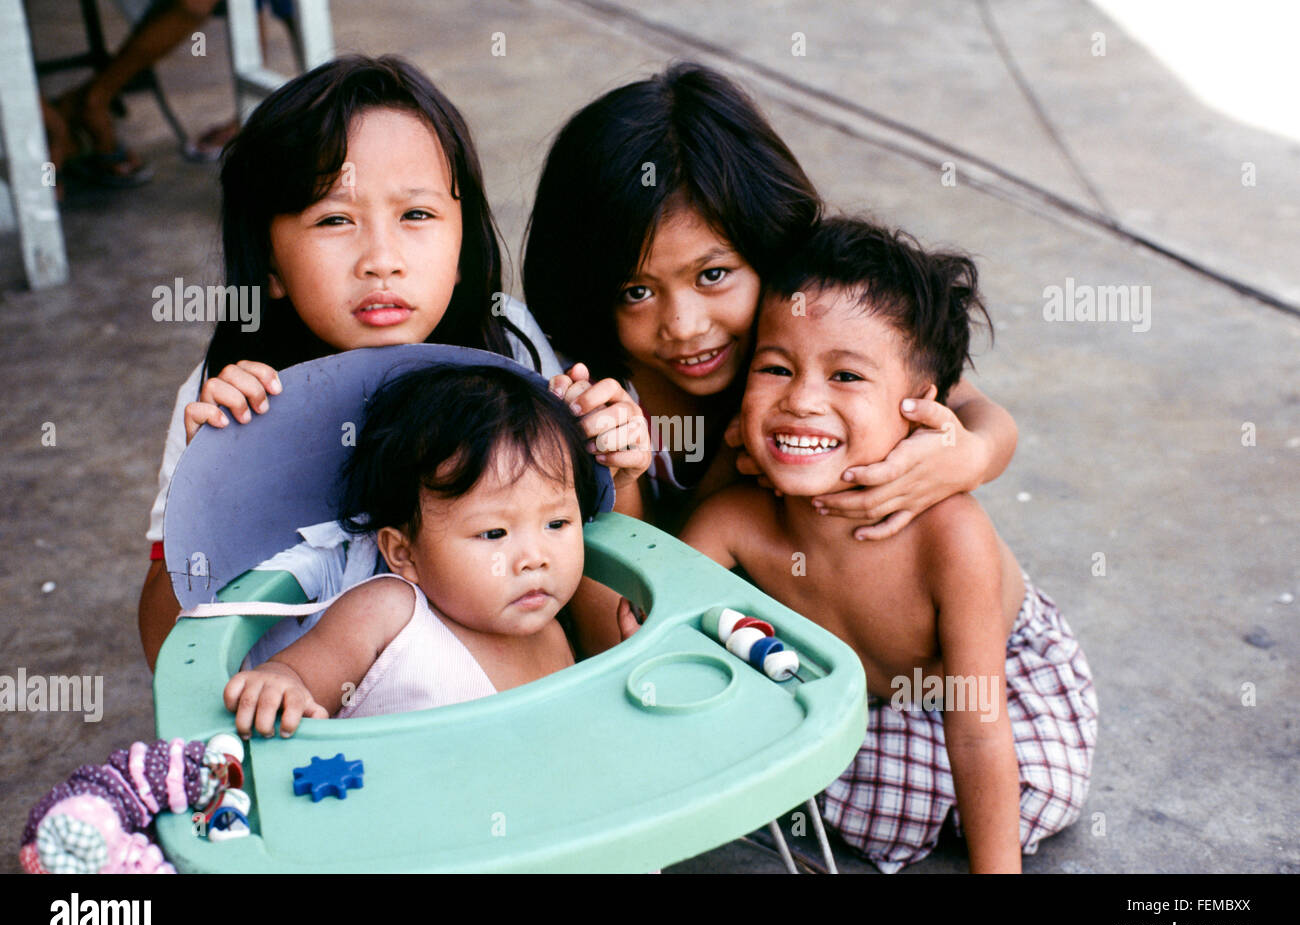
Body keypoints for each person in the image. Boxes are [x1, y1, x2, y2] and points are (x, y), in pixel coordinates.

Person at [139, 55, 647, 669]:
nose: (381, 259)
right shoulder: (228, 396)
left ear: (464, 243)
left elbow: (598, 594)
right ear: (268, 262)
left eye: (417, 215)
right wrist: (211, 492)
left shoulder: (507, 349)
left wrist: (615, 475)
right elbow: (170, 648)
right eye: (333, 219)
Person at [675, 217, 1098, 873]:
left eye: (846, 376)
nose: (802, 401)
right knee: (764, 752)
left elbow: (978, 726)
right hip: (860, 692)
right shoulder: (737, 519)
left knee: (1037, 791)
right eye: (776, 367)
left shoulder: (949, 533)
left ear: (920, 408)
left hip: (992, 684)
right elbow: (662, 622)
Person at [525, 63, 1018, 540]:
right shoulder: (591, 393)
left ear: (769, 246)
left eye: (713, 275)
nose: (684, 325)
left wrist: (970, 456)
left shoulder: (807, 332)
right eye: (637, 292)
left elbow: (976, 409)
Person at [224, 362, 638, 737]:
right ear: (404, 554)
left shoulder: (549, 631)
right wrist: (280, 683)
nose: (535, 557)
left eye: (557, 524)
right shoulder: (390, 613)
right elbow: (295, 673)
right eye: (494, 534)